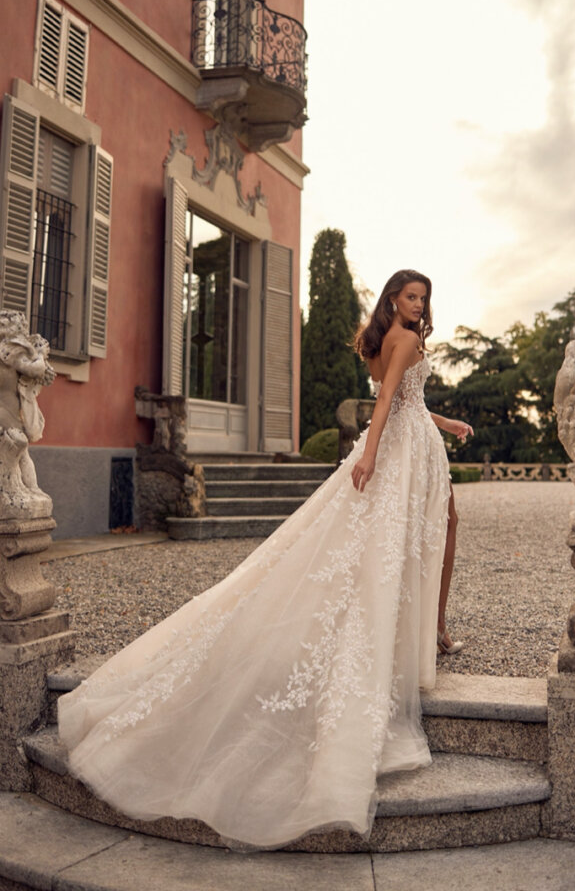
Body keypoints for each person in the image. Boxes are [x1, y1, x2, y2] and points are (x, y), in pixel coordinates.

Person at [58, 268, 472, 850]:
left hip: (413, 442)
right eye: (410, 296)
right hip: (399, 450)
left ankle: (432, 628)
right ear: (393, 299)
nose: (419, 304)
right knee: (410, 541)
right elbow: (385, 404)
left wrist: (444, 422)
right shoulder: (403, 339)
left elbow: (405, 399)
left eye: (424, 298)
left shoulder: (386, 340)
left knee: (412, 539)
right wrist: (371, 454)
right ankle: (431, 630)